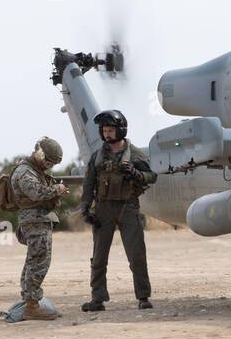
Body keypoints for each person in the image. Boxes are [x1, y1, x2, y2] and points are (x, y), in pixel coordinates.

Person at [80, 110, 157, 312]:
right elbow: (88, 184)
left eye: (110, 130)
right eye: (104, 130)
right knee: (98, 257)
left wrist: (136, 173)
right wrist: (86, 208)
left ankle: (143, 296)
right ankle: (97, 298)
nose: (107, 134)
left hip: (128, 207)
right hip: (103, 208)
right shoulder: (97, 157)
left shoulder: (136, 154)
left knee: (136, 254)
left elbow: (152, 176)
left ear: (120, 130)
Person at [11, 136, 69, 320]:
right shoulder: (25, 171)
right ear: (40, 154)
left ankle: (30, 299)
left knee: (34, 261)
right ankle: (32, 306)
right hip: (34, 222)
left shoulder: (33, 170)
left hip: (38, 220)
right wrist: (57, 190)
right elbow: (36, 192)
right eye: (48, 162)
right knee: (39, 262)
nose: (49, 166)